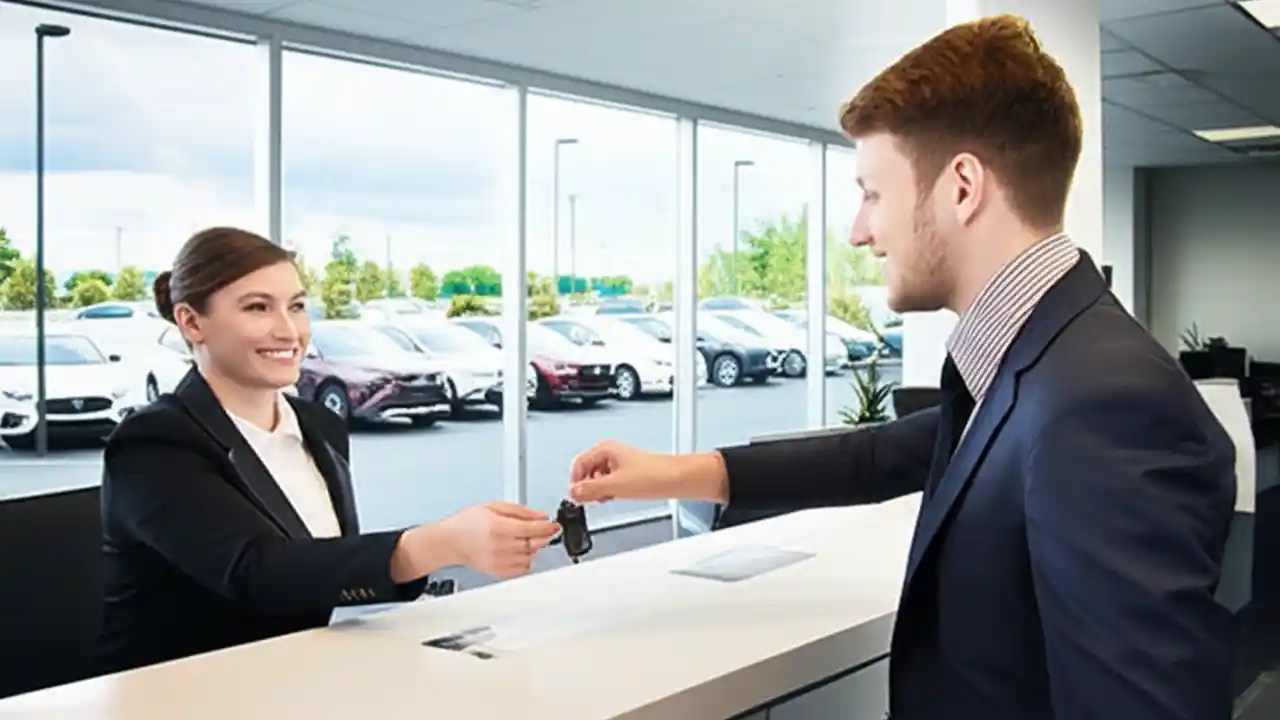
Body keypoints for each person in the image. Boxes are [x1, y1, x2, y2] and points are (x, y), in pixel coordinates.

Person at [569, 15, 1236, 720]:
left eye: (872, 193)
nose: (859, 231)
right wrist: (668, 473)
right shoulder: (1032, 358)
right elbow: (879, 456)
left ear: (962, 187)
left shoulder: (1100, 403)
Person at [97, 226, 560, 675]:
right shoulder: (153, 444)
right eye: (258, 308)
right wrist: (439, 543)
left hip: (292, 679)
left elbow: (323, 572)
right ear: (192, 321)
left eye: (297, 307)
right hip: (179, 697)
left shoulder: (318, 425)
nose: (288, 330)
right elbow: (259, 573)